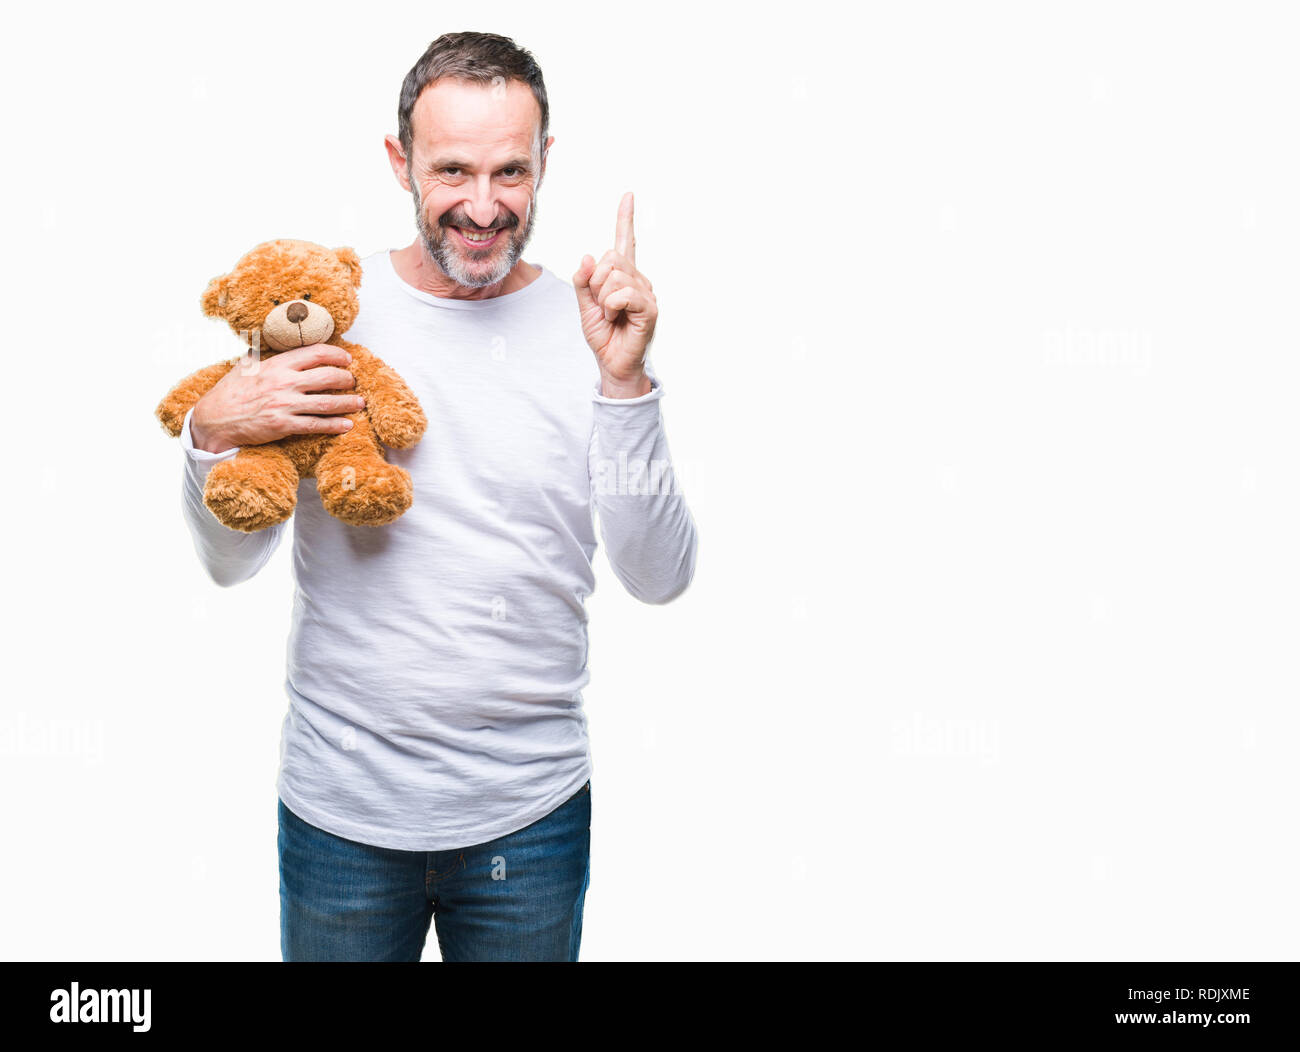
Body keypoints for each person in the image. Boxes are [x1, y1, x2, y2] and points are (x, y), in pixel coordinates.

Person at [174, 31, 698, 961]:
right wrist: (214, 435)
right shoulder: (323, 312)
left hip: (529, 817)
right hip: (342, 814)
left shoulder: (591, 324)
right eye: (452, 169)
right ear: (399, 162)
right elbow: (230, 563)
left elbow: (657, 577)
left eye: (511, 171)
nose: (484, 207)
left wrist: (625, 380)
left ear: (545, 162)